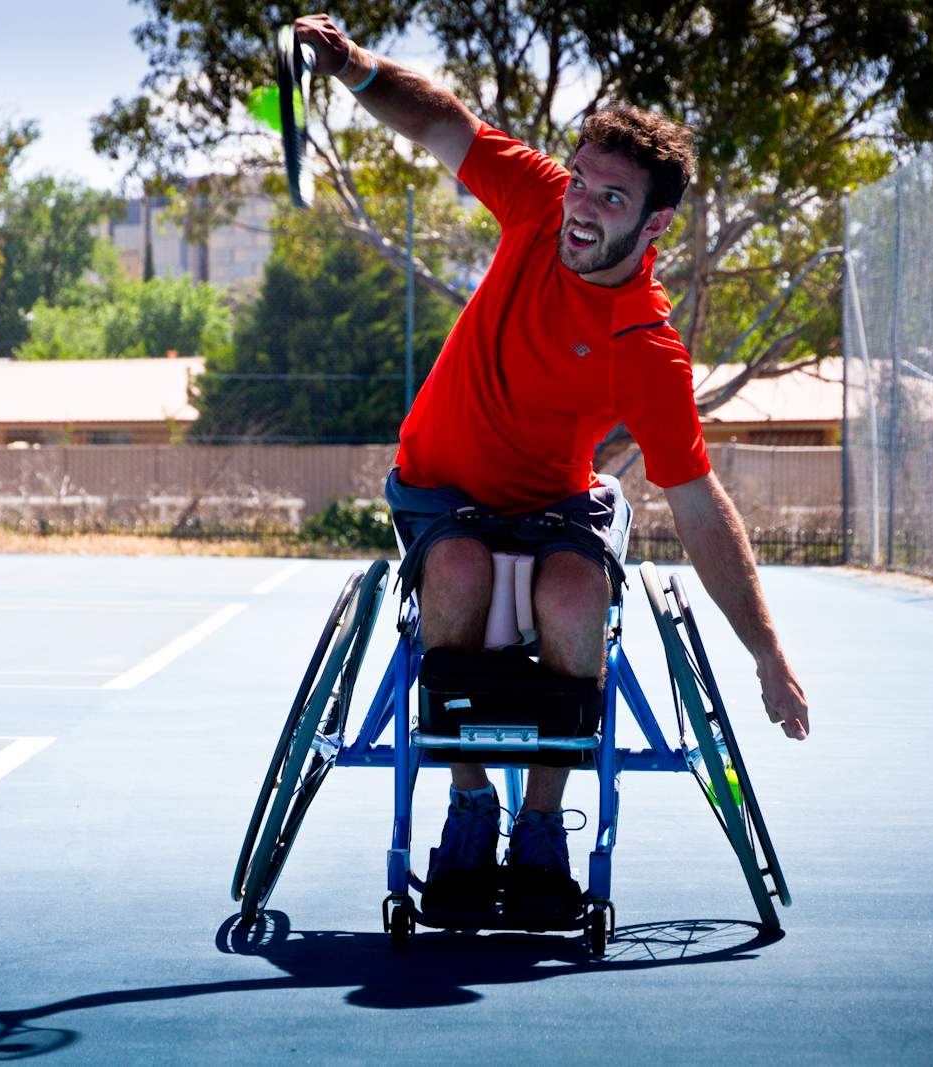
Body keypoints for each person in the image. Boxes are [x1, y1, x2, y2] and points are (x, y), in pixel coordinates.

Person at [291, 14, 811, 923]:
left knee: (575, 602)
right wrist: (354, 66)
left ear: (655, 222)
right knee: (455, 570)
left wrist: (767, 654)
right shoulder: (538, 201)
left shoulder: (647, 348)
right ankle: (466, 807)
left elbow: (695, 500)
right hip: (439, 486)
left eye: (612, 200)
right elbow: (443, 121)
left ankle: (540, 827)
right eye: (583, 183)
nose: (582, 206)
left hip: (553, 501)